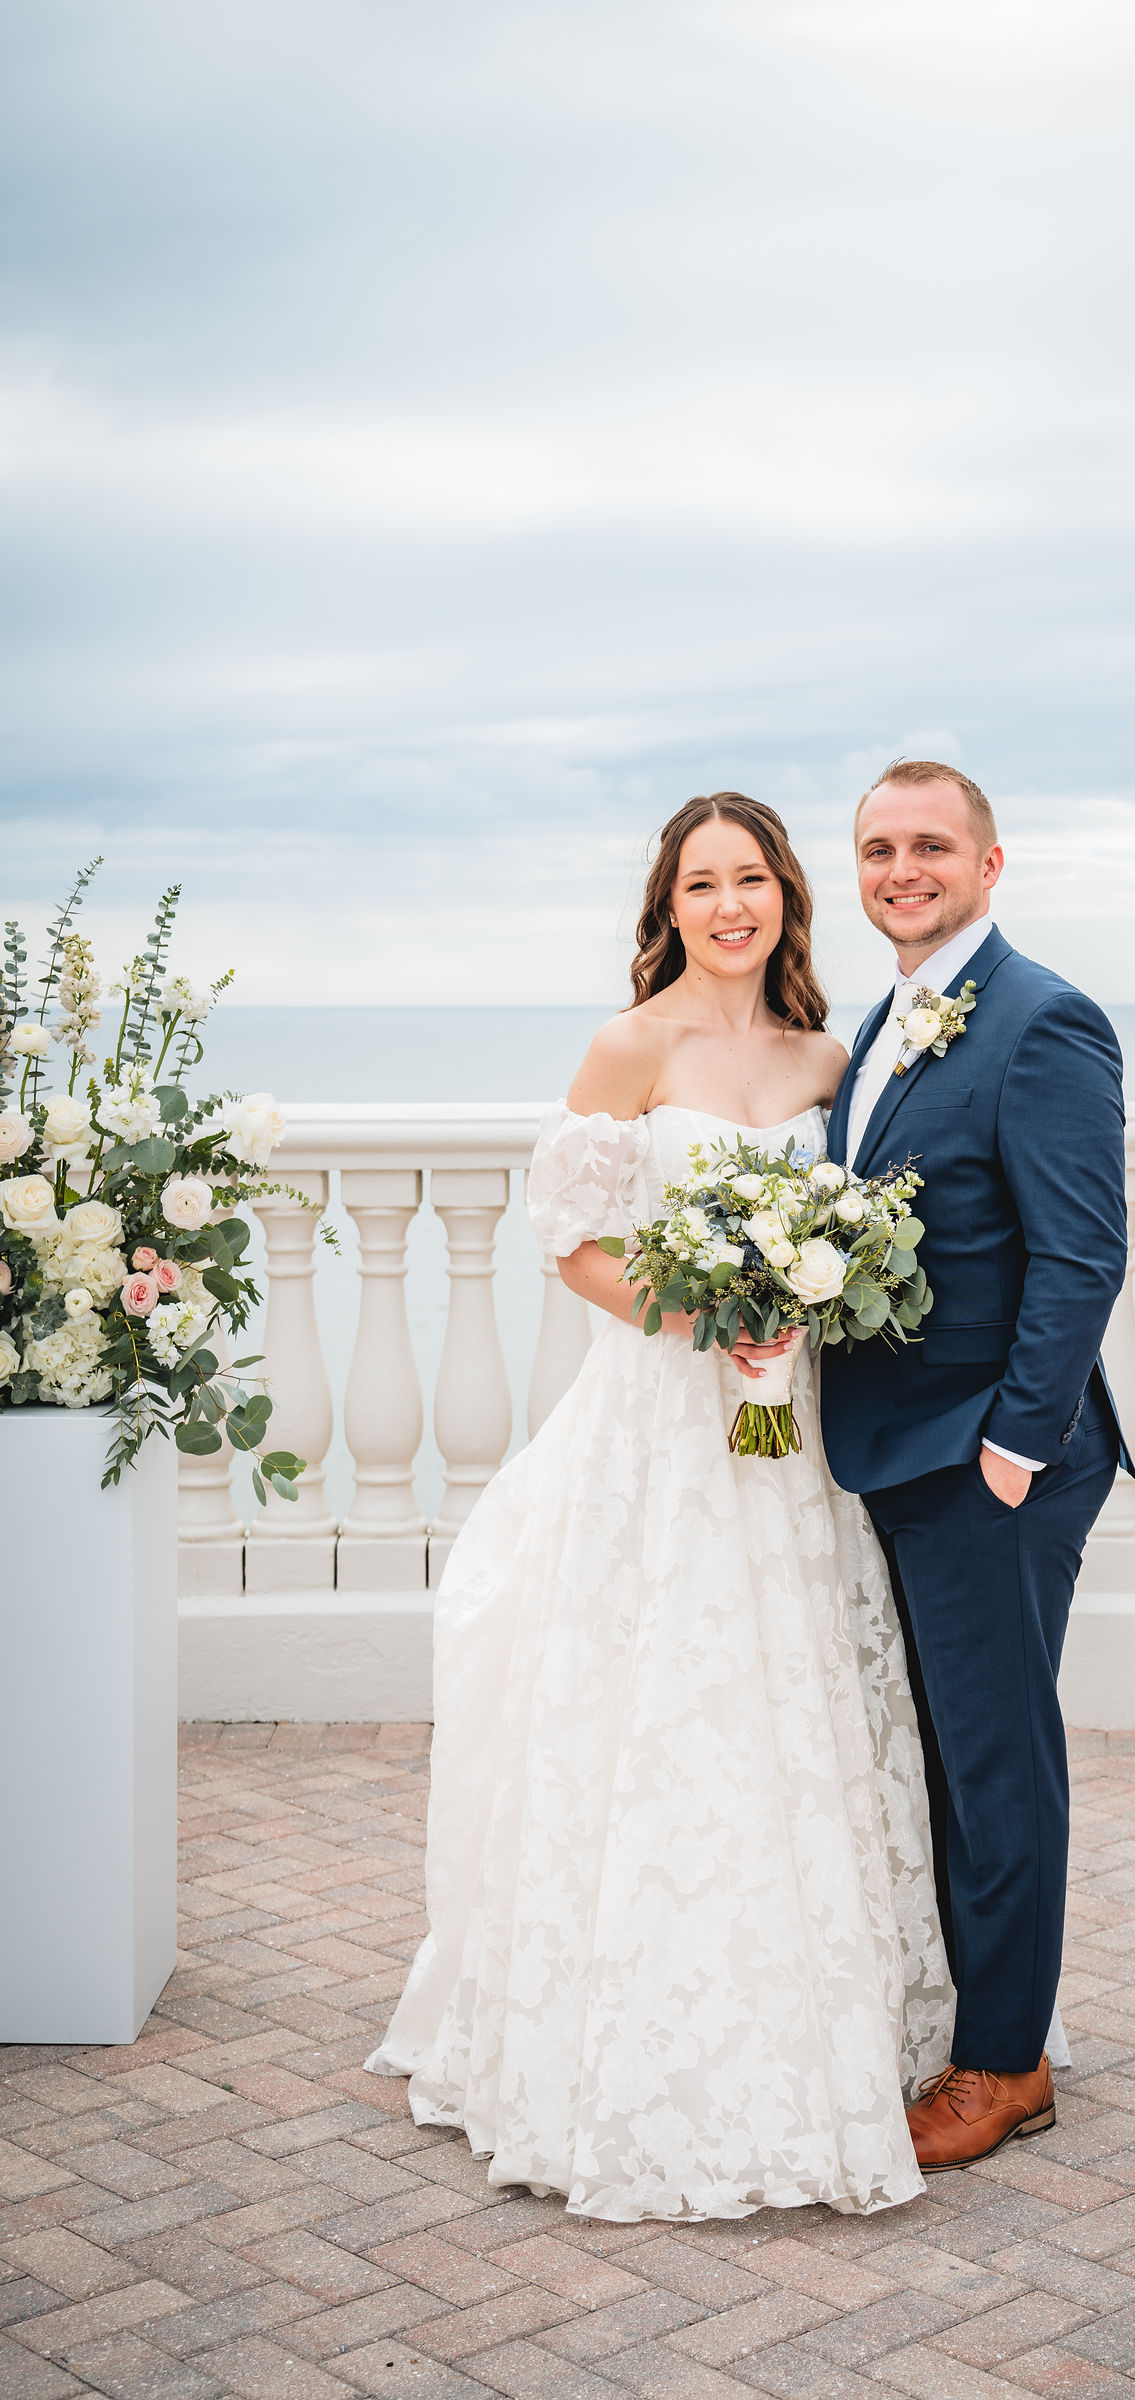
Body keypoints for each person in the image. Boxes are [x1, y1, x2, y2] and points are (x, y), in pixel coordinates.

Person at [366, 791, 953, 2222]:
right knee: (655, 1704)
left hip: (791, 1437)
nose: (730, 905)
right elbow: (571, 1242)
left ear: (784, 897)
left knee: (793, 1696)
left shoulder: (832, 1054)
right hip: (662, 1429)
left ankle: (816, 2015)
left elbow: (864, 1230)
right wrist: (713, 1325)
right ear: (668, 906)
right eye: (703, 884)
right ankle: (614, 2039)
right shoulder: (632, 1046)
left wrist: (796, 1318)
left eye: (752, 879)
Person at [821, 759, 1133, 2174]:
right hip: (905, 1454)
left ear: (991, 864)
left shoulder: (1041, 1018)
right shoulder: (883, 1022)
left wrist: (1012, 1450)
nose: (904, 870)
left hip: (990, 1464)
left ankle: (1003, 2066)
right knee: (951, 1753)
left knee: (998, 1763)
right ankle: (992, 2027)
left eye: (932, 847)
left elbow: (1082, 1256)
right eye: (880, 848)